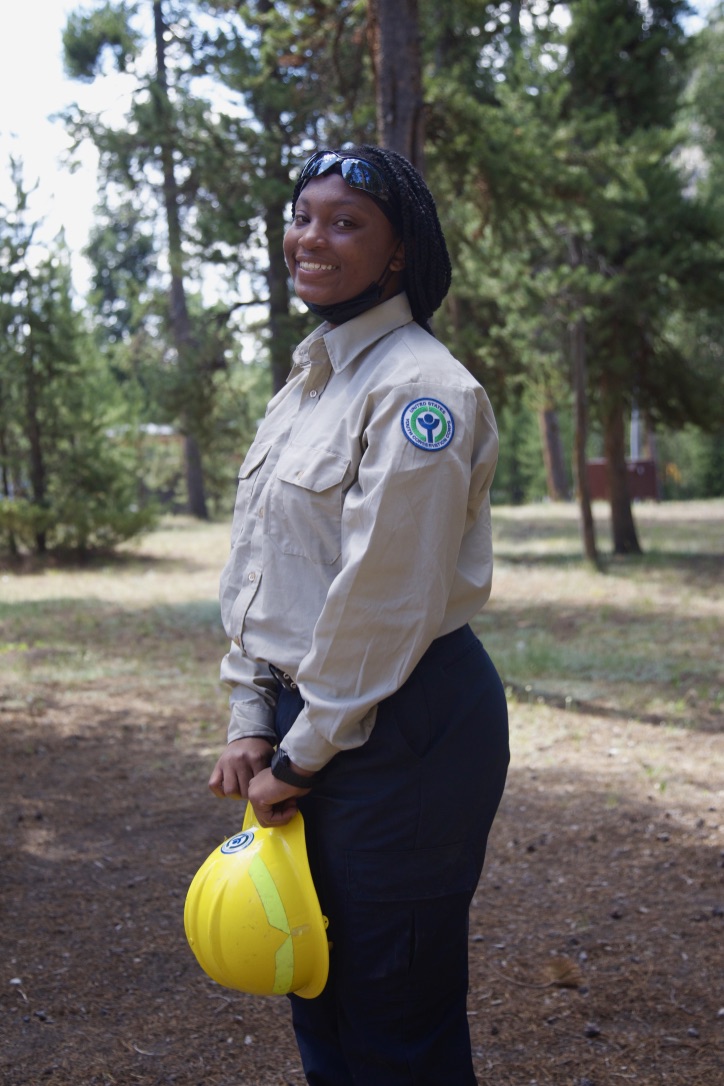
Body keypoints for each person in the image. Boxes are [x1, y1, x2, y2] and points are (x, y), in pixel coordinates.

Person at [208, 145, 509, 1086]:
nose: (311, 237)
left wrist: (303, 754)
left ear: (397, 256)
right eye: (304, 215)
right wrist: (255, 720)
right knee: (315, 974)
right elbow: (267, 571)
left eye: (346, 223)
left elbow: (384, 599)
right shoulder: (311, 383)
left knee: (395, 1009)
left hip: (405, 723)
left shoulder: (421, 390)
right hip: (320, 715)